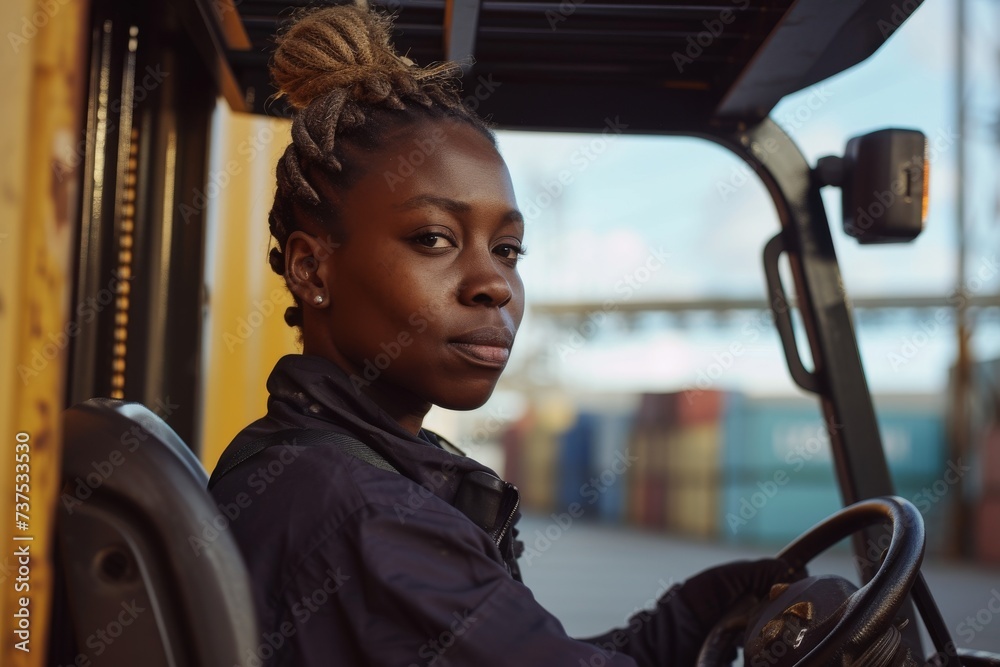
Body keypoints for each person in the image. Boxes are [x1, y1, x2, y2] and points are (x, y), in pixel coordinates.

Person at [208, 4, 800, 665]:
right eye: (434, 238)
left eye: (508, 249)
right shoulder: (371, 519)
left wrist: (689, 612)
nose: (493, 284)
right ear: (312, 268)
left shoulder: (311, 463)